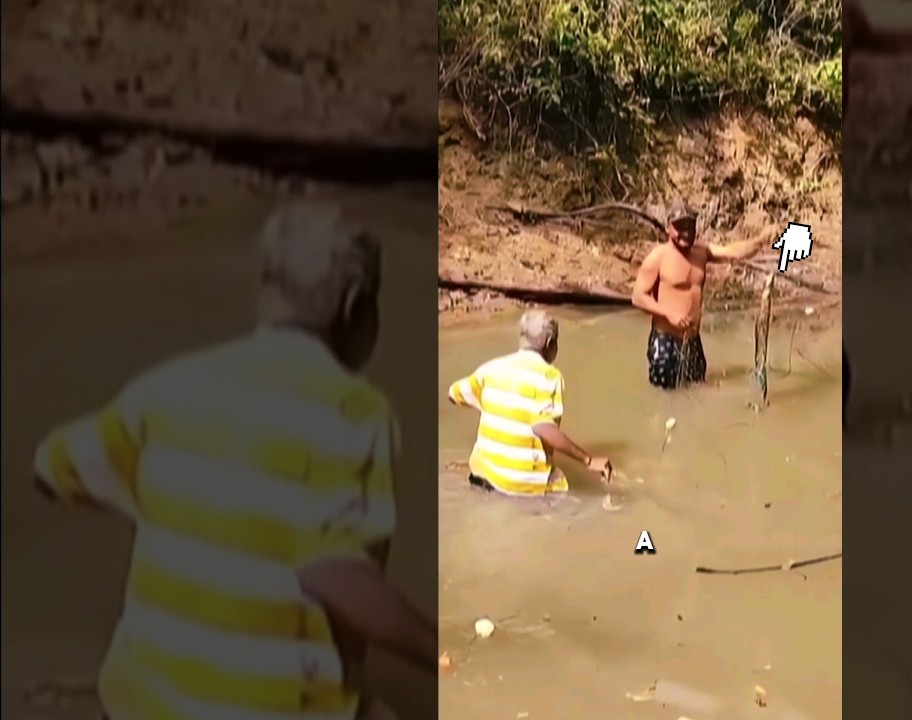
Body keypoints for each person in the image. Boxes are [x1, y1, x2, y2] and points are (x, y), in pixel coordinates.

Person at [31, 204, 436, 720]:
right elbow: (334, 573)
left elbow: (52, 467)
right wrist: (435, 647)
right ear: (356, 309)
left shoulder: (170, 388)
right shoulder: (353, 411)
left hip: (136, 704)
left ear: (266, 295)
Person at [447, 309, 612, 496]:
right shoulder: (549, 377)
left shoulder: (491, 369)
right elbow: (543, 427)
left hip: (481, 474)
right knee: (565, 493)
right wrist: (588, 461)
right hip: (521, 485)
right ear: (550, 344)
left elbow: (453, 395)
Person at [630, 203, 776, 389]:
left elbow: (733, 252)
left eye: (690, 226)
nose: (686, 232)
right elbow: (638, 297)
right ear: (668, 228)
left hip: (692, 340)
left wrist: (761, 240)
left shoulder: (701, 251)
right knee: (665, 396)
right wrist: (669, 314)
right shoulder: (658, 257)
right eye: (680, 227)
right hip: (665, 339)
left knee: (697, 389)